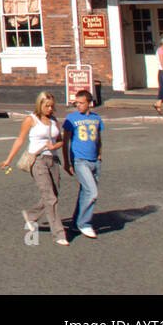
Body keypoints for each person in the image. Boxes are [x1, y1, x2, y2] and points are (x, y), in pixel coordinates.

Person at [0, 91, 69, 246]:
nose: (50, 109)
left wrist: (55, 145)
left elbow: (60, 141)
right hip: (37, 160)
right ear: (40, 105)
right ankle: (59, 234)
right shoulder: (30, 120)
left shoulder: (53, 120)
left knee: (54, 193)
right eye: (47, 106)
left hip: (53, 159)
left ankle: (31, 216)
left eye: (52, 106)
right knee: (50, 197)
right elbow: (20, 140)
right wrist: (8, 159)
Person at [63, 89, 104, 239]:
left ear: (89, 103)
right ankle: (84, 223)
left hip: (94, 161)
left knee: (85, 192)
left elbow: (98, 138)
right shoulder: (71, 118)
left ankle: (75, 223)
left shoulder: (97, 118)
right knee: (92, 192)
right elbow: (65, 141)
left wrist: (99, 154)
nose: (78, 105)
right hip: (80, 161)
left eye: (81, 103)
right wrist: (67, 162)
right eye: (76, 103)